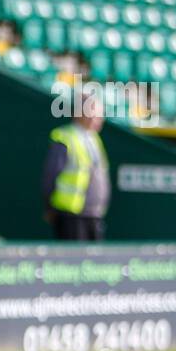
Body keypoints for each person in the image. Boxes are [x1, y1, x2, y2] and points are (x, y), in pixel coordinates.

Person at [42, 89, 109, 240]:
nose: (99, 118)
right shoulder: (65, 138)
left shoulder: (94, 139)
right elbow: (50, 176)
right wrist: (49, 206)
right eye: (94, 113)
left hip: (94, 214)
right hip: (71, 215)